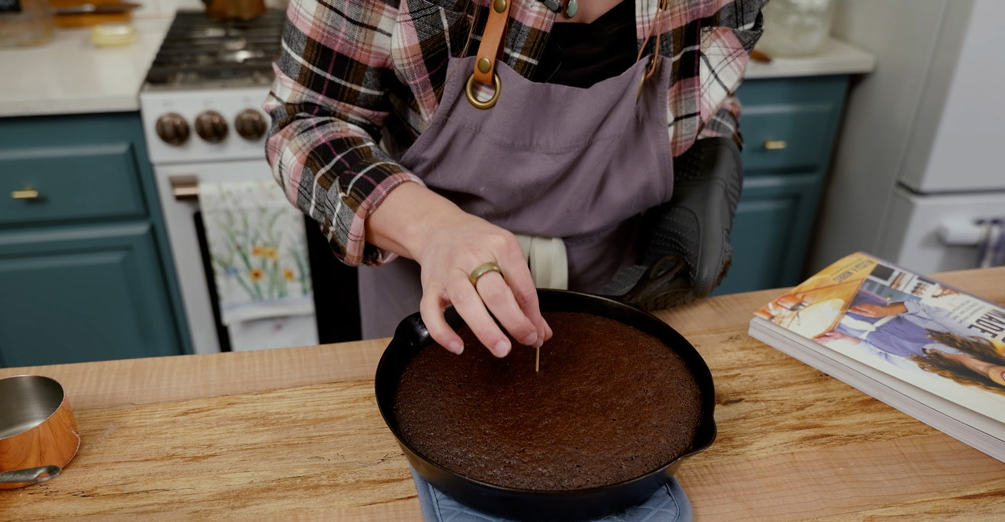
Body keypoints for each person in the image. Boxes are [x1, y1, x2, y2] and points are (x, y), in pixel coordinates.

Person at [264, 0, 766, 356]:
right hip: (428, 300)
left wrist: (710, 171)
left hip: (617, 292)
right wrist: (434, 229)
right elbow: (304, 121)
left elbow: (703, 88)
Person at [816, 298, 1005, 404]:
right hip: (867, 307)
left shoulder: (946, 376)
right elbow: (926, 309)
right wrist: (886, 311)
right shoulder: (976, 341)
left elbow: (882, 357)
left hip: (848, 328)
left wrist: (843, 338)